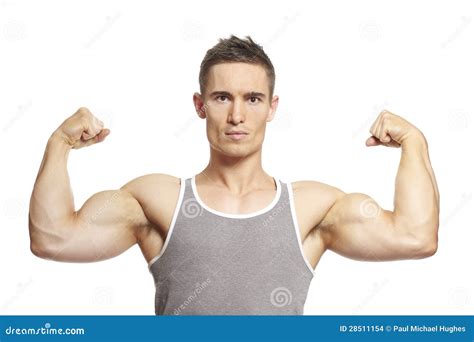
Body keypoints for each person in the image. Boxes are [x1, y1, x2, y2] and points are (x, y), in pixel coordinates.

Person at [28, 35, 440, 315]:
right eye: (222, 97)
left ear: (272, 108)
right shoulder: (157, 200)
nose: (238, 115)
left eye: (253, 99)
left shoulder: (313, 208)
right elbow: (52, 239)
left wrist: (415, 143)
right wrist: (58, 145)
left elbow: (416, 237)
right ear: (200, 104)